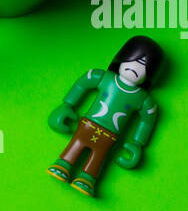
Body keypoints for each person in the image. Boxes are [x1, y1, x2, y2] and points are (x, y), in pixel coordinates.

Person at [46, 35, 165, 197]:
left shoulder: (143, 100)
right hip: (88, 125)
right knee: (76, 144)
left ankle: (88, 179)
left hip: (109, 136)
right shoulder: (103, 78)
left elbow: (148, 120)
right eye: (134, 60)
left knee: (98, 155)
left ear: (150, 73)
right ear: (123, 58)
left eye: (143, 66)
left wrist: (138, 143)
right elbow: (82, 84)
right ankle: (63, 165)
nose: (135, 68)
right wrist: (67, 105)